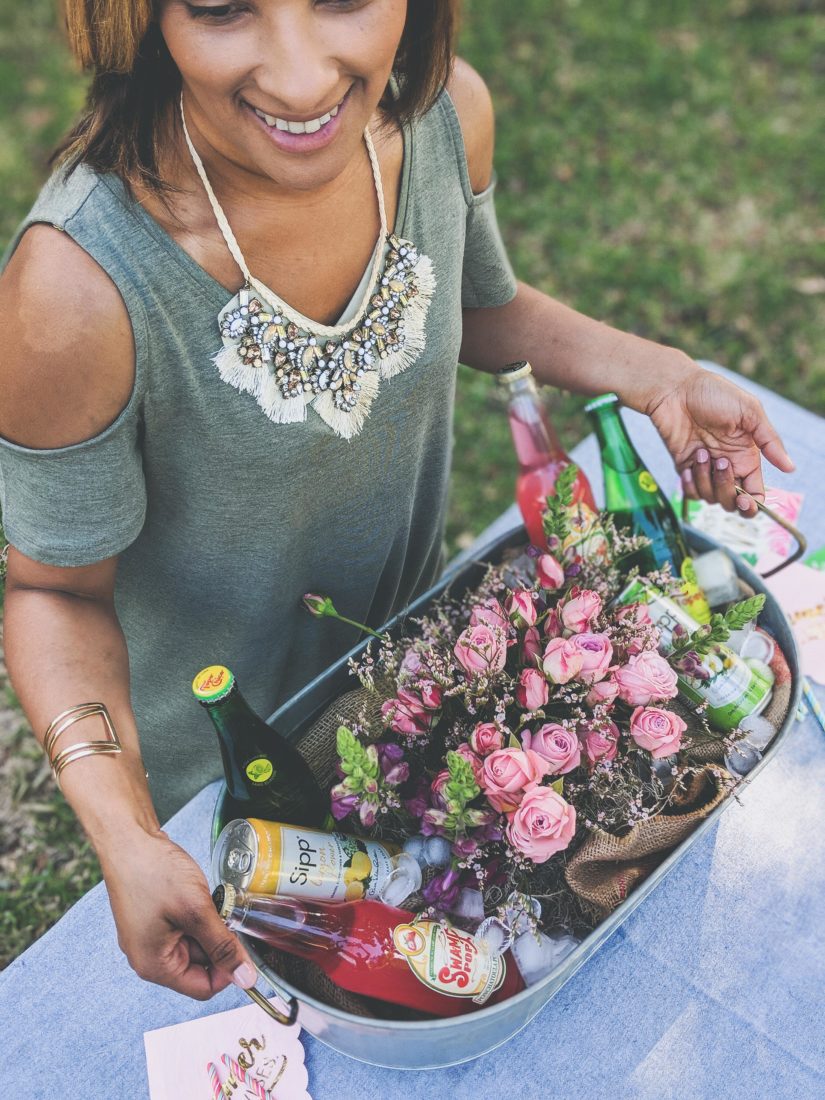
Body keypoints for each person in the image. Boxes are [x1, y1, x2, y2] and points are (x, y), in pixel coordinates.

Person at [0, 0, 793, 1005]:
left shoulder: (446, 115)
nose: (299, 79)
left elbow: (471, 301)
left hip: (427, 686)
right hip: (238, 774)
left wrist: (661, 376)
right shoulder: (73, 292)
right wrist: (124, 832)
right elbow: (52, 596)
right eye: (219, 7)